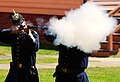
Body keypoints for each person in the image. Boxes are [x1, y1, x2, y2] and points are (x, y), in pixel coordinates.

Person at [0, 11, 40, 82]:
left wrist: (29, 35)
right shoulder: (13, 35)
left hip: (28, 73)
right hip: (15, 71)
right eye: (16, 25)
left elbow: (35, 47)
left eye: (19, 24)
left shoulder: (33, 34)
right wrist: (11, 32)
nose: (18, 26)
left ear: (24, 22)